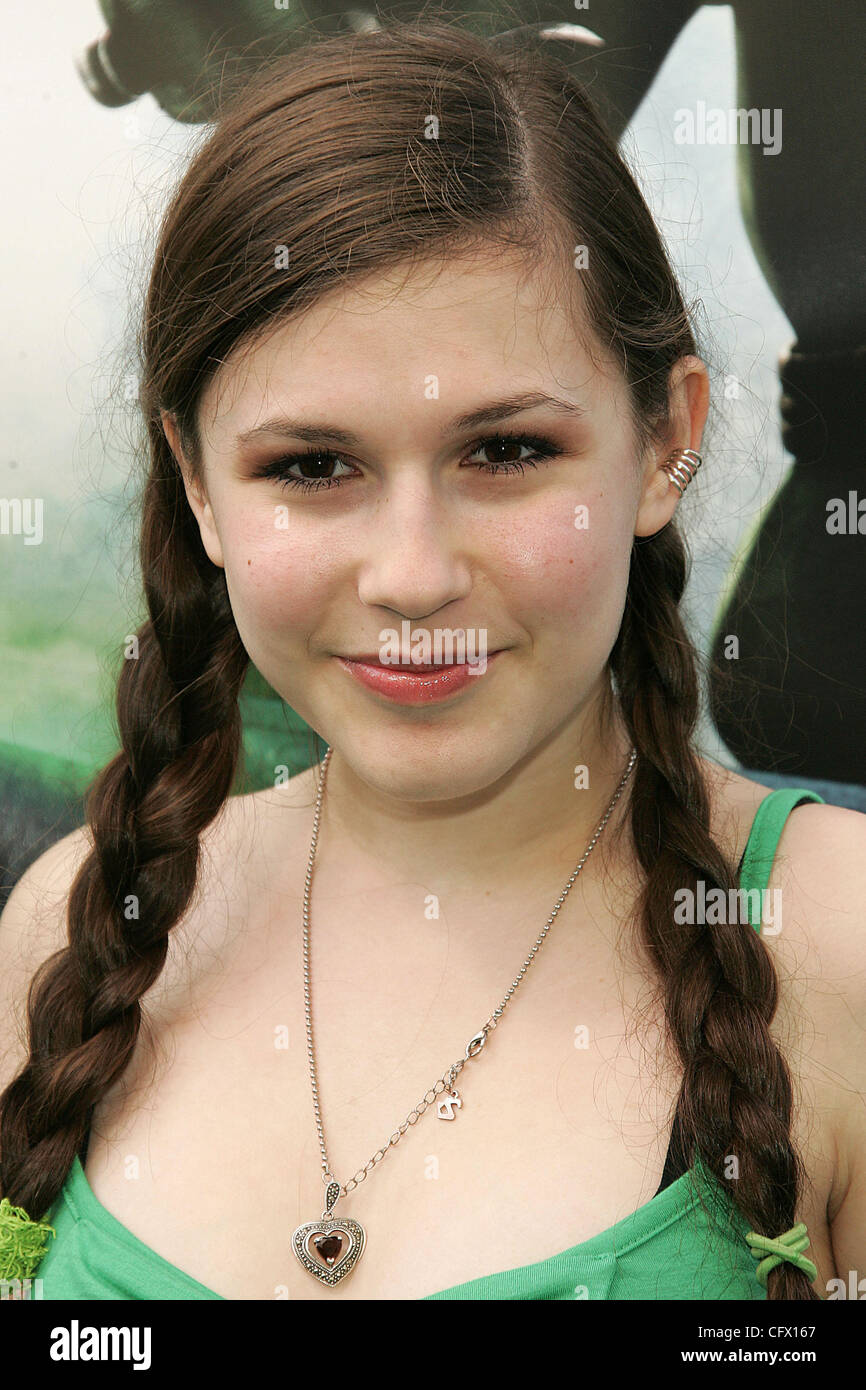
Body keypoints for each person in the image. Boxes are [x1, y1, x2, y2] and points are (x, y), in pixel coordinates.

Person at [1, 17, 863, 1302]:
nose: (412, 574)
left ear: (662, 441)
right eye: (311, 466)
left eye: (504, 451)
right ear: (195, 481)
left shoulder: (839, 948)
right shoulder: (69, 929)